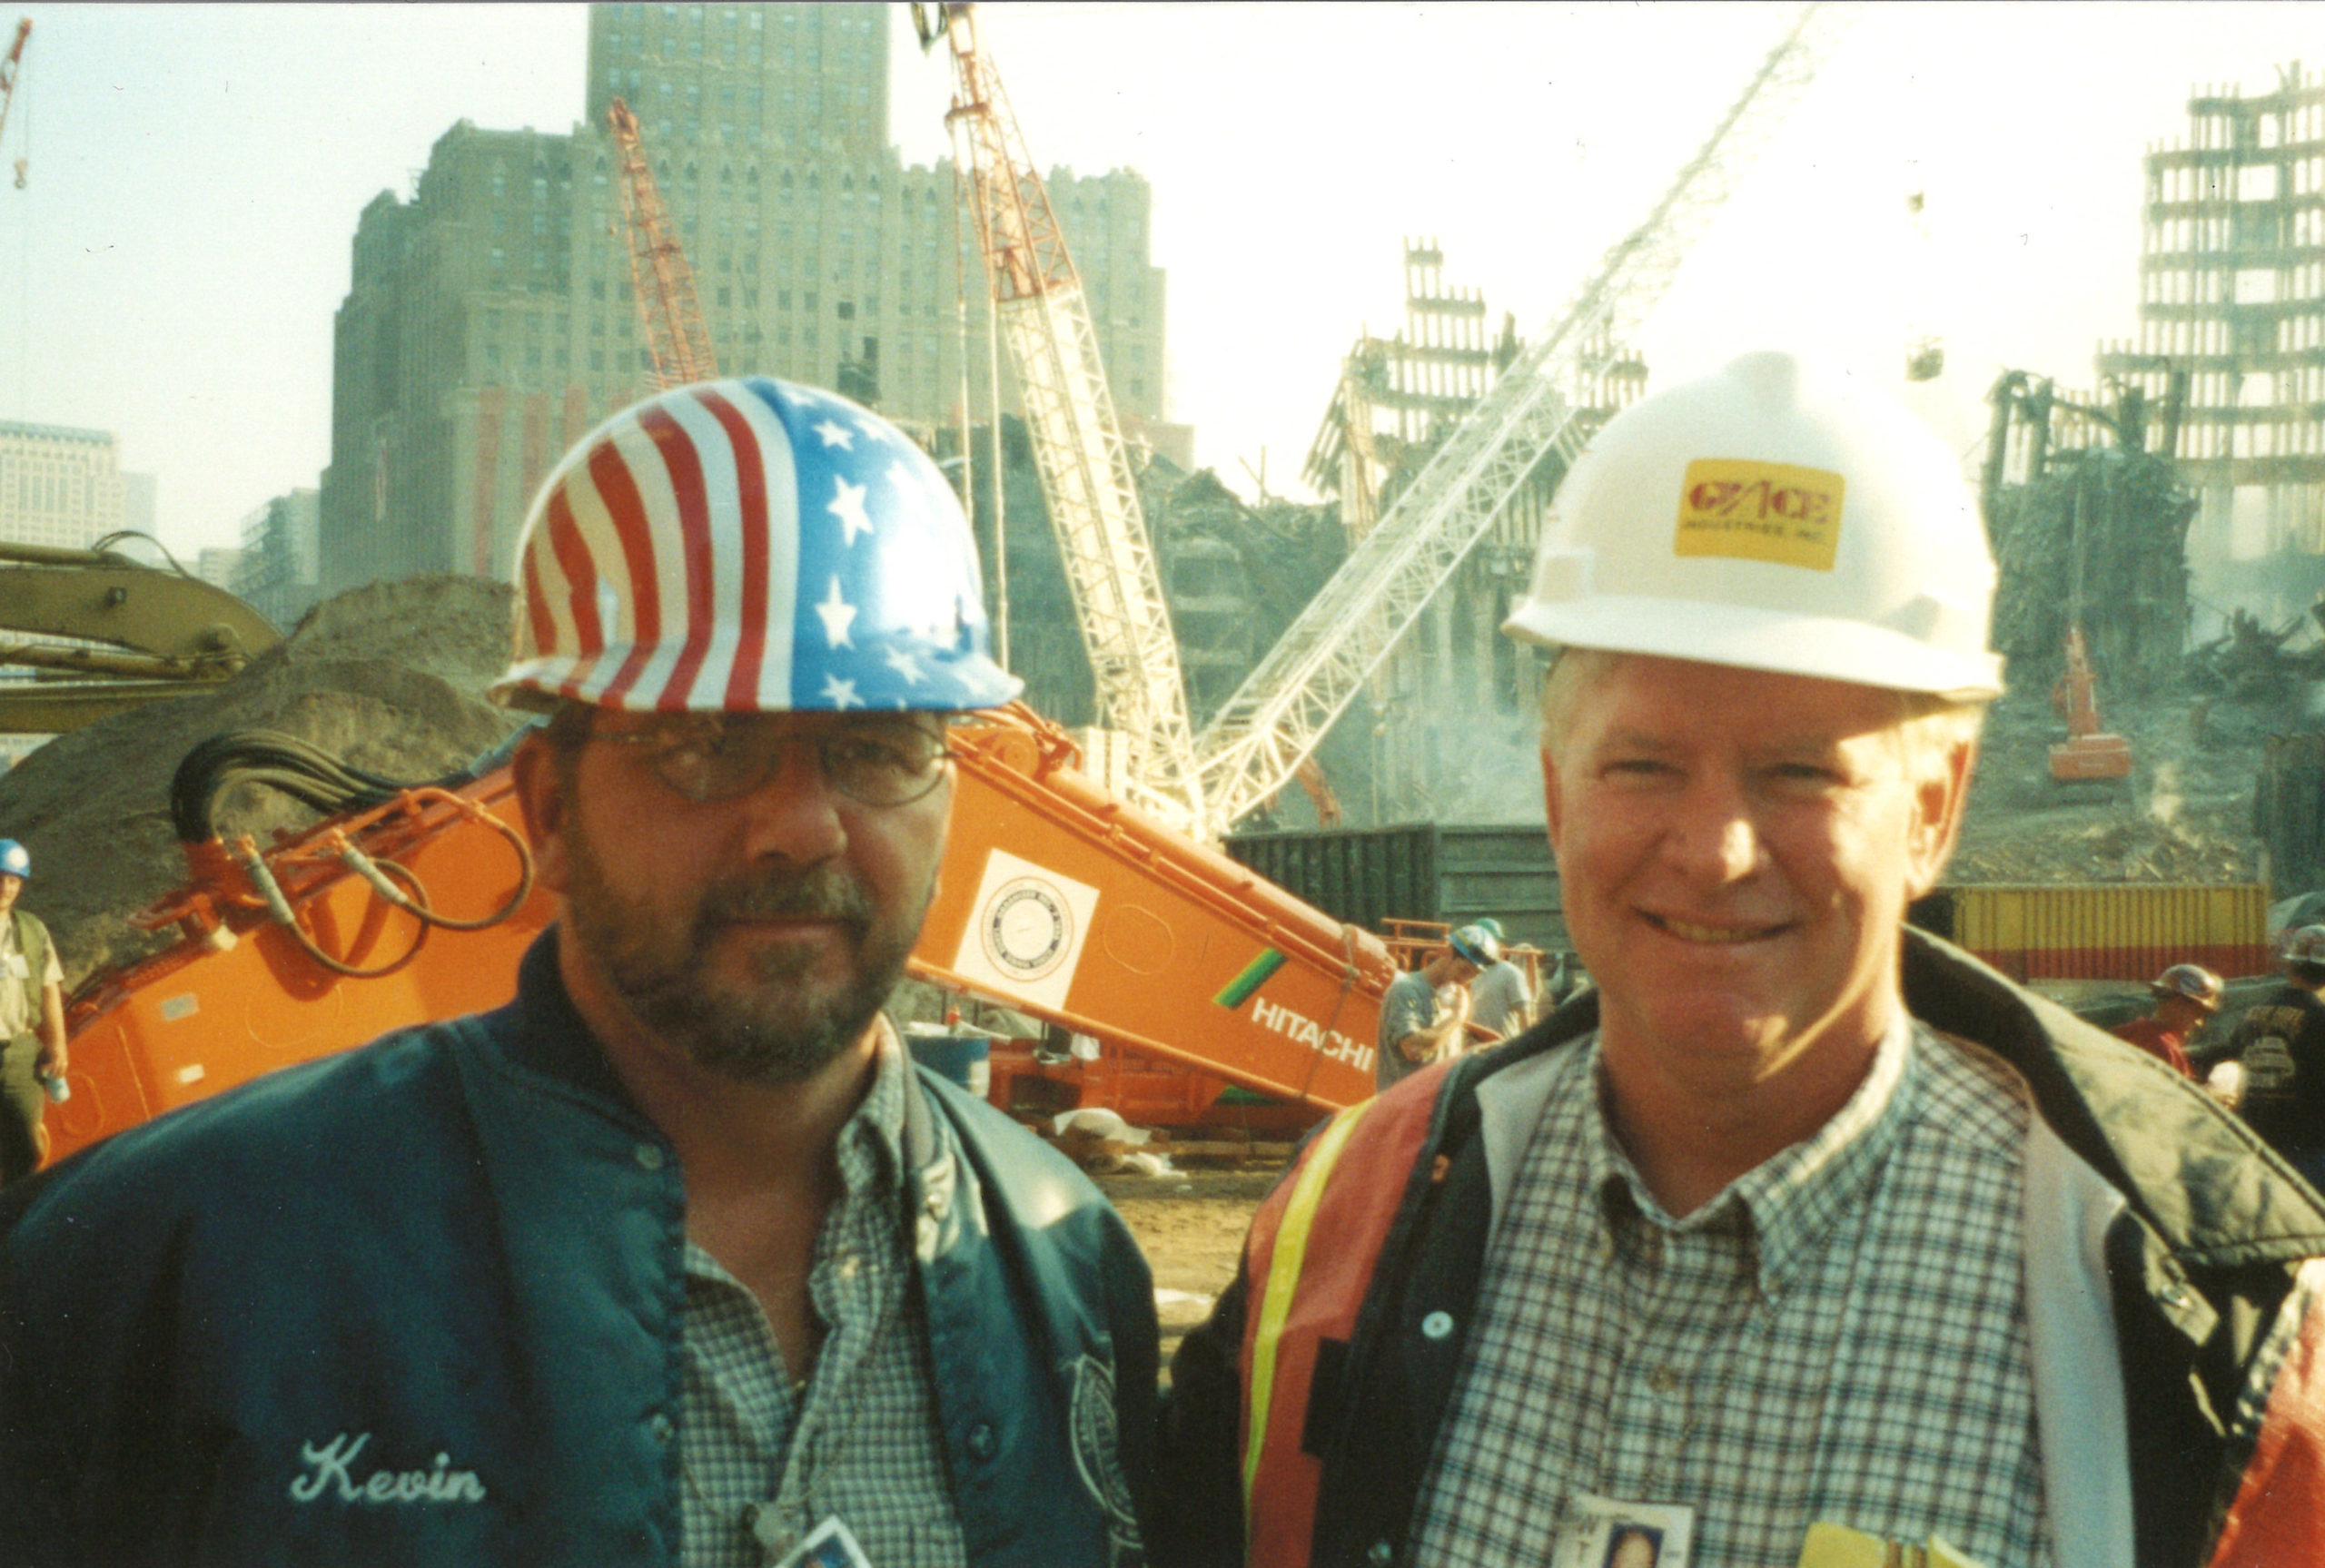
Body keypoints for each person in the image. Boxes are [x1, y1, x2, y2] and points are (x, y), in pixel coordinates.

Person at [1155, 352, 2325, 1568]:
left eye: (1801, 771)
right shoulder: (1350, 1211)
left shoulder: (2199, 1330)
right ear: (1557, 794)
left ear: (1935, 807)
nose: (1715, 853)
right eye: (1643, 764)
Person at [0, 378, 1158, 1568]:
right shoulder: (166, 1269)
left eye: (877, 746)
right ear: (549, 807)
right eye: (709, 740)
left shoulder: (1067, 1268)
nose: (801, 826)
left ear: (948, 797)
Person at [2221, 924, 2325, 1188]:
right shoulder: (2320, 1017)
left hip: (2259, 1142)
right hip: (2311, 1147)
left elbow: (2229, 1057)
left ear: (2290, 967)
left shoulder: (2254, 1013)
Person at [0, 838, 64, 1185]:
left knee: (25, 1152)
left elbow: (49, 988)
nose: (4, 887)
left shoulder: (30, 931)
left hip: (20, 1057)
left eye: (12, 880)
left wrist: (58, 1045)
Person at [1374, 926, 1492, 1090]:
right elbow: (1414, 1048)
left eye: (1472, 975)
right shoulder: (1407, 990)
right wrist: (1456, 1018)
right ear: (1447, 952)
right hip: (1403, 1110)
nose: (1464, 980)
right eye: (1464, 970)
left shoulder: (1449, 997)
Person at [2109, 962, 2221, 1079]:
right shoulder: (2165, 1048)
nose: (2200, 1023)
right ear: (2178, 1005)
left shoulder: (2125, 1033)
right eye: (2198, 1014)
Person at [1464, 916, 1534, 1040]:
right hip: (1472, 1046)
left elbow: (1524, 1016)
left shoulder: (1510, 973)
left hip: (1502, 1047)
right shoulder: (1466, 972)